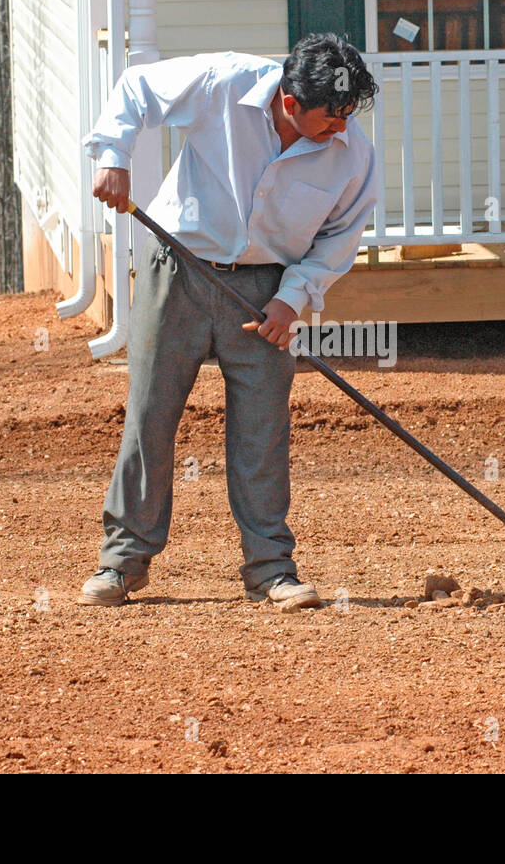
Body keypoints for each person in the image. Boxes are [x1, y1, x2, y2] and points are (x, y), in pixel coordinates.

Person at [77, 33, 379, 611]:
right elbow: (138, 87)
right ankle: (122, 561)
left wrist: (293, 298)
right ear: (290, 103)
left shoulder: (352, 151)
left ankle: (271, 570)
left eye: (348, 115)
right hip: (179, 270)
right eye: (330, 118)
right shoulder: (224, 81)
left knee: (262, 431)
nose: (341, 129)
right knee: (150, 414)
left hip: (265, 291)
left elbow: (341, 235)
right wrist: (112, 156)